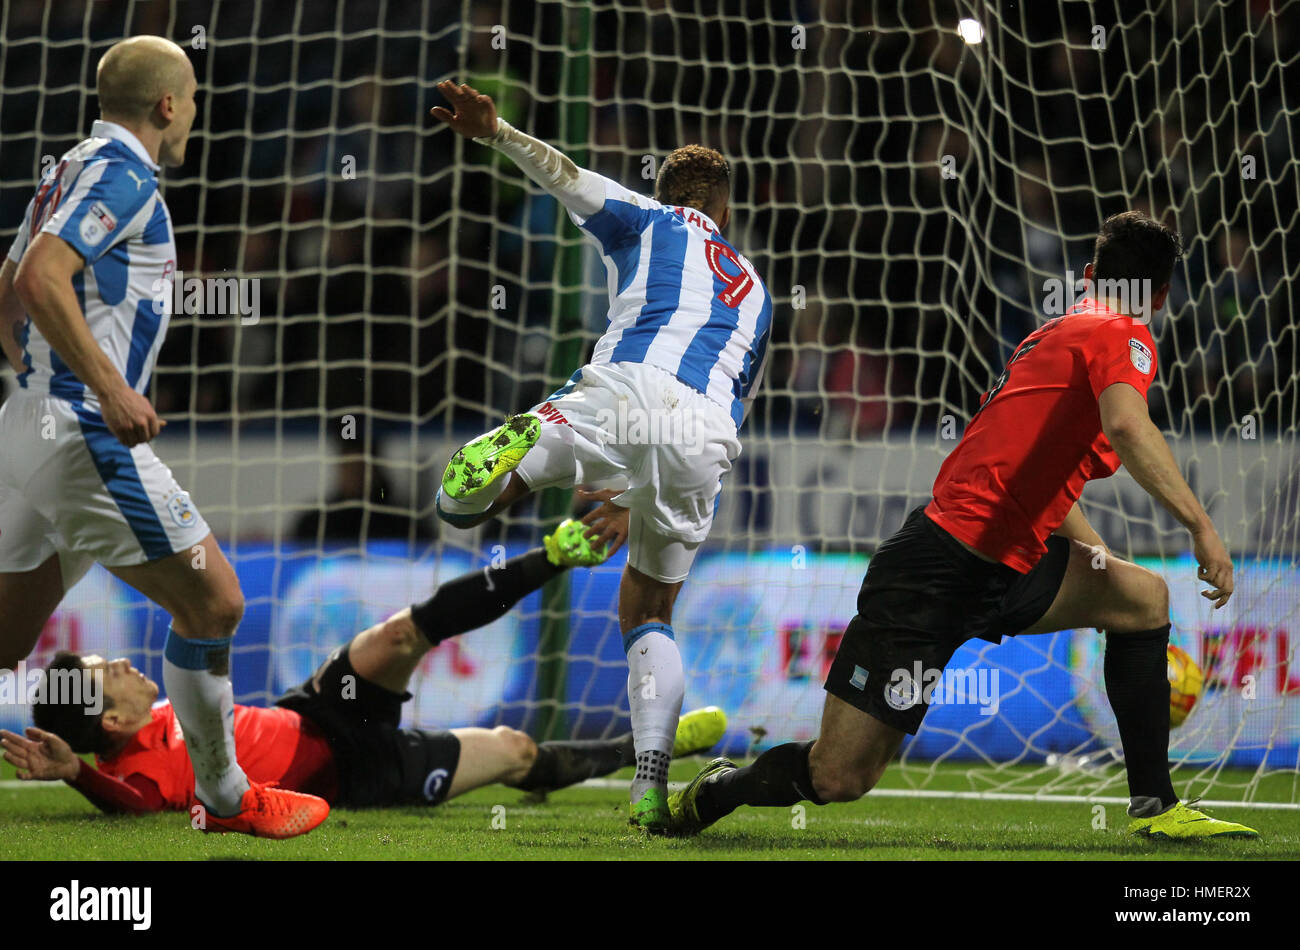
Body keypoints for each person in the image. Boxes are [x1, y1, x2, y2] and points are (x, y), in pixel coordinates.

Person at [670, 210, 1258, 840]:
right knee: (839, 777)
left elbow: (1044, 484)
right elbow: (1128, 427)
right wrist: (1201, 527)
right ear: (1162, 295)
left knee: (1143, 598)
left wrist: (1098, 558)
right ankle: (721, 788)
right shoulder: (1120, 335)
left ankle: (1156, 807)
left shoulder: (1056, 336)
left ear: (1089, 274)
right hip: (936, 569)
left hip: (1009, 565)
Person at [0, 35, 324, 838]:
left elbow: (12, 288)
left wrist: (29, 377)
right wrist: (107, 387)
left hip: (26, 428)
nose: (194, 117)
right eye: (194, 101)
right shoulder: (123, 175)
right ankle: (225, 799)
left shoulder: (65, 169)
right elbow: (39, 278)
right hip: (81, 431)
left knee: (4, 640)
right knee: (214, 604)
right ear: (169, 105)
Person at [430, 81, 772, 831]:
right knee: (649, 610)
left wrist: (497, 134)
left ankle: (521, 447)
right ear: (725, 208)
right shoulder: (756, 292)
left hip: (619, 390)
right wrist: (629, 500)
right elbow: (734, 394)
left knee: (460, 505)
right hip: (705, 430)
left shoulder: (646, 217)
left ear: (670, 191)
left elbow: (563, 174)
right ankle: (648, 782)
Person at [3, 516, 727, 816]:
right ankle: (641, 751)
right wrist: (79, 777)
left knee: (399, 634)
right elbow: (133, 807)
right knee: (515, 751)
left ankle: (554, 555)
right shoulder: (141, 773)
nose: (126, 662)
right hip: (358, 775)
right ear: (112, 718)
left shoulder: (165, 713)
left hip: (316, 710)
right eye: (109, 671)